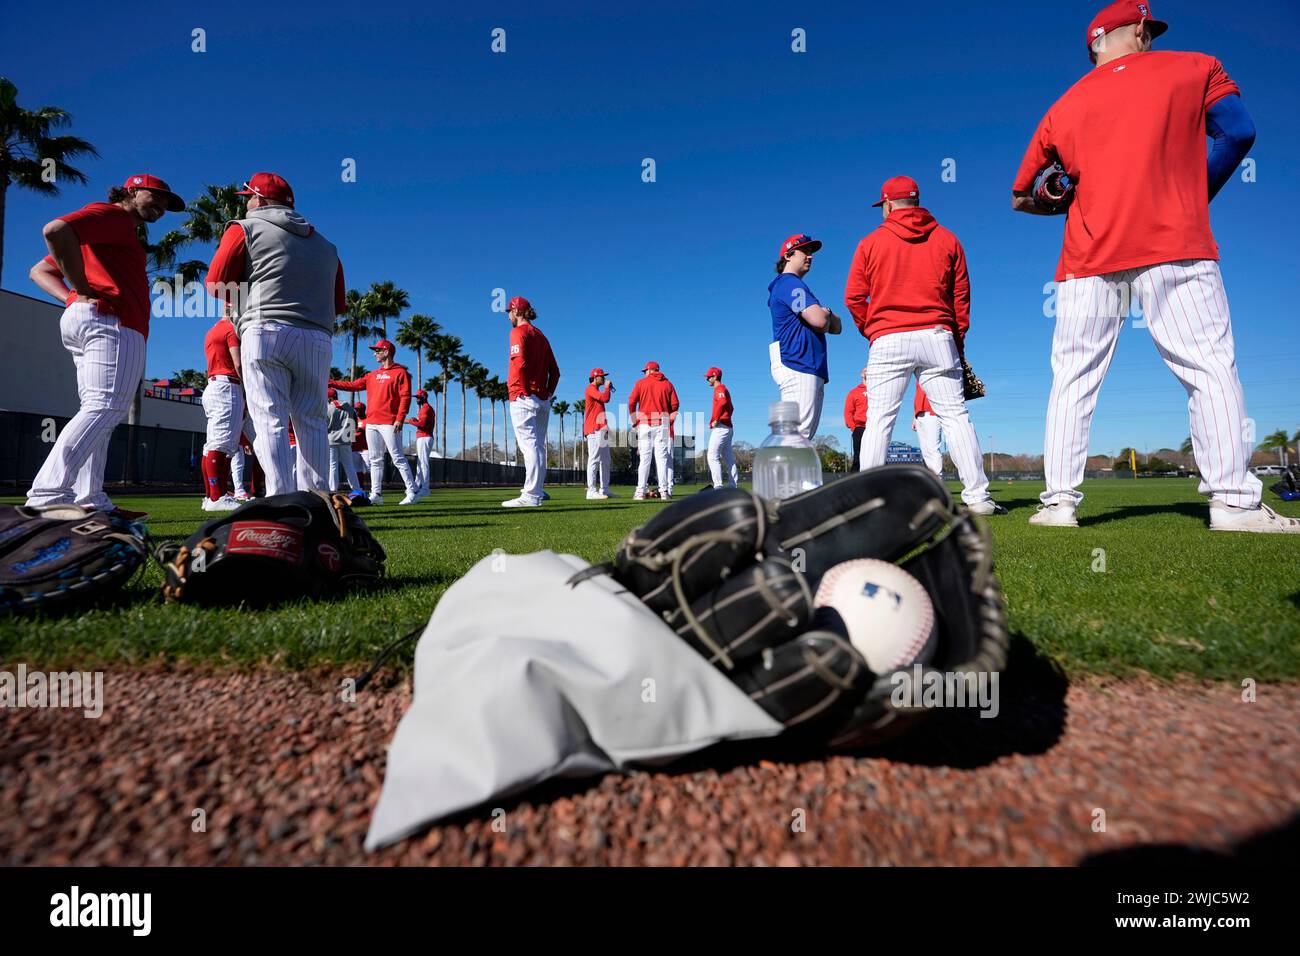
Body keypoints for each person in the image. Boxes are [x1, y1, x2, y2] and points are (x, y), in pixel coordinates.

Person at [1012, 1, 1293, 533]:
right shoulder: (1195, 65)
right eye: (1148, 30)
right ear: (1139, 29)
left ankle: (1059, 505)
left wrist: (1057, 199)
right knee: (1207, 368)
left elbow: (1023, 196)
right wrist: (1192, 192)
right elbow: (1238, 132)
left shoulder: (1063, 104)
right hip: (1174, 242)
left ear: (1093, 44)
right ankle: (1233, 504)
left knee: (1072, 380)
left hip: (1087, 258)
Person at [25, 174, 185, 520]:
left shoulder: (113, 229)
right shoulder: (113, 216)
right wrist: (80, 289)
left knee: (100, 410)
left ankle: (90, 498)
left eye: (166, 203)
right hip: (113, 320)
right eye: (154, 196)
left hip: (93, 318)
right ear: (131, 191)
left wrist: (73, 296)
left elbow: (39, 270)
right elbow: (55, 229)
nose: (160, 206)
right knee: (107, 408)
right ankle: (48, 494)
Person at [844, 175, 1003, 515]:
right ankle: (978, 498)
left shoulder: (870, 242)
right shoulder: (948, 238)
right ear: (916, 202)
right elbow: (961, 299)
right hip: (937, 334)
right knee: (956, 416)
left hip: (888, 337)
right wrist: (957, 341)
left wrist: (872, 330)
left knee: (879, 421)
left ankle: (869, 502)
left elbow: (854, 297)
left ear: (887, 204)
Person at [205, 172, 344, 497]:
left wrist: (249, 301)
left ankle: (280, 499)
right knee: (311, 420)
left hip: (265, 329)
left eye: (249, 197)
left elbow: (216, 284)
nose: (248, 202)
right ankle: (318, 500)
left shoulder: (244, 227)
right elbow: (339, 304)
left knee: (270, 417)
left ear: (261, 200)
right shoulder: (327, 246)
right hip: (317, 337)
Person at [768, 233, 843, 441]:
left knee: (801, 437)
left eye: (812, 252)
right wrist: (826, 311)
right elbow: (820, 320)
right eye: (805, 251)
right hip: (798, 363)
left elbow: (838, 327)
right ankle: (781, 475)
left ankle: (791, 475)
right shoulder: (788, 283)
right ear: (788, 255)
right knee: (796, 438)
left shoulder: (795, 285)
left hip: (807, 365)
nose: (810, 256)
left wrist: (824, 314)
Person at [330, 340, 420, 505]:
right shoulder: (372, 375)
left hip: (390, 422)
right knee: (375, 459)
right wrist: (330, 382)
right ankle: (376, 494)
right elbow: (352, 386)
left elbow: (406, 397)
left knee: (397, 457)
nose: (374, 353)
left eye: (377, 350)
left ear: (386, 351)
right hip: (371, 422)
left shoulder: (401, 373)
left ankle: (412, 491)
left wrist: (400, 418)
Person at [503, 296, 560, 508]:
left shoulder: (518, 332)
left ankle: (531, 495)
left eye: (510, 311)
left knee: (530, 447)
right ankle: (537, 490)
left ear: (517, 311)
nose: (508, 315)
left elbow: (519, 363)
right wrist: (547, 395)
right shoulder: (542, 336)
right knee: (538, 447)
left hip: (523, 395)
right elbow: (555, 373)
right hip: (541, 398)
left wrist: (526, 391)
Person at [199, 315, 249, 510]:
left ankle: (211, 495)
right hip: (227, 387)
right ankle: (216, 497)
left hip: (214, 385)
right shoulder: (231, 329)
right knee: (221, 444)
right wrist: (249, 387)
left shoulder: (213, 330)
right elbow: (238, 363)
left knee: (212, 444)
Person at [627, 361, 679, 501]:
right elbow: (675, 406)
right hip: (662, 424)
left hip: (644, 424)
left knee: (645, 459)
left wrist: (634, 420)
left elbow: (631, 402)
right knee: (661, 460)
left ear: (649, 370)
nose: (645, 373)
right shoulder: (668, 384)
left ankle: (640, 492)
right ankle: (664, 492)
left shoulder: (640, 383)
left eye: (645, 371)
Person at [583, 368, 614, 500]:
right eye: (602, 376)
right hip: (593, 429)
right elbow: (605, 398)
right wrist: (607, 388)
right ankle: (591, 491)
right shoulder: (590, 389)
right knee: (594, 459)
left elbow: (604, 399)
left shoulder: (596, 390)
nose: (604, 378)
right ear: (595, 378)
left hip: (601, 428)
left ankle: (604, 490)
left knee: (606, 460)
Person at [705, 367, 738, 489]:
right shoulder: (724, 389)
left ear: (715, 377)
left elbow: (722, 402)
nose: (707, 379)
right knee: (729, 458)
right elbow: (732, 408)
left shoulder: (720, 388)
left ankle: (718, 486)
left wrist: (716, 419)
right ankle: (732, 486)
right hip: (728, 427)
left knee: (712, 456)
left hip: (721, 427)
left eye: (709, 377)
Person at [327, 387, 362, 493]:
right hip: (346, 440)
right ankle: (356, 489)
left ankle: (333, 489)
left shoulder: (327, 408)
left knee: (333, 465)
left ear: (328, 398)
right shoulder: (350, 408)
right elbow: (355, 424)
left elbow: (324, 425)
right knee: (349, 465)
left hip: (331, 439)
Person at [405, 389, 435, 499]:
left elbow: (422, 424)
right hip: (424, 437)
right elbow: (422, 422)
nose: (416, 399)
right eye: (416, 397)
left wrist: (409, 421)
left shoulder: (426, 408)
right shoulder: (425, 408)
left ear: (424, 397)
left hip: (425, 437)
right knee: (420, 463)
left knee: (423, 463)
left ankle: (425, 489)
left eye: (418, 397)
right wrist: (414, 420)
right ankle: (417, 487)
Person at [912, 384, 943, 477]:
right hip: (919, 414)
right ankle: (931, 479)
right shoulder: (918, 373)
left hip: (933, 412)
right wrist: (914, 417)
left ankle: (938, 479)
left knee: (933, 448)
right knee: (925, 452)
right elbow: (918, 395)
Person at [843, 367, 869, 472]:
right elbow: (848, 412)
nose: (868, 371)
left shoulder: (878, 390)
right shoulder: (854, 393)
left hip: (874, 428)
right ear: (862, 374)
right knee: (858, 457)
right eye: (866, 370)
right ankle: (853, 485)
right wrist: (853, 427)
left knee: (878, 456)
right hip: (859, 428)